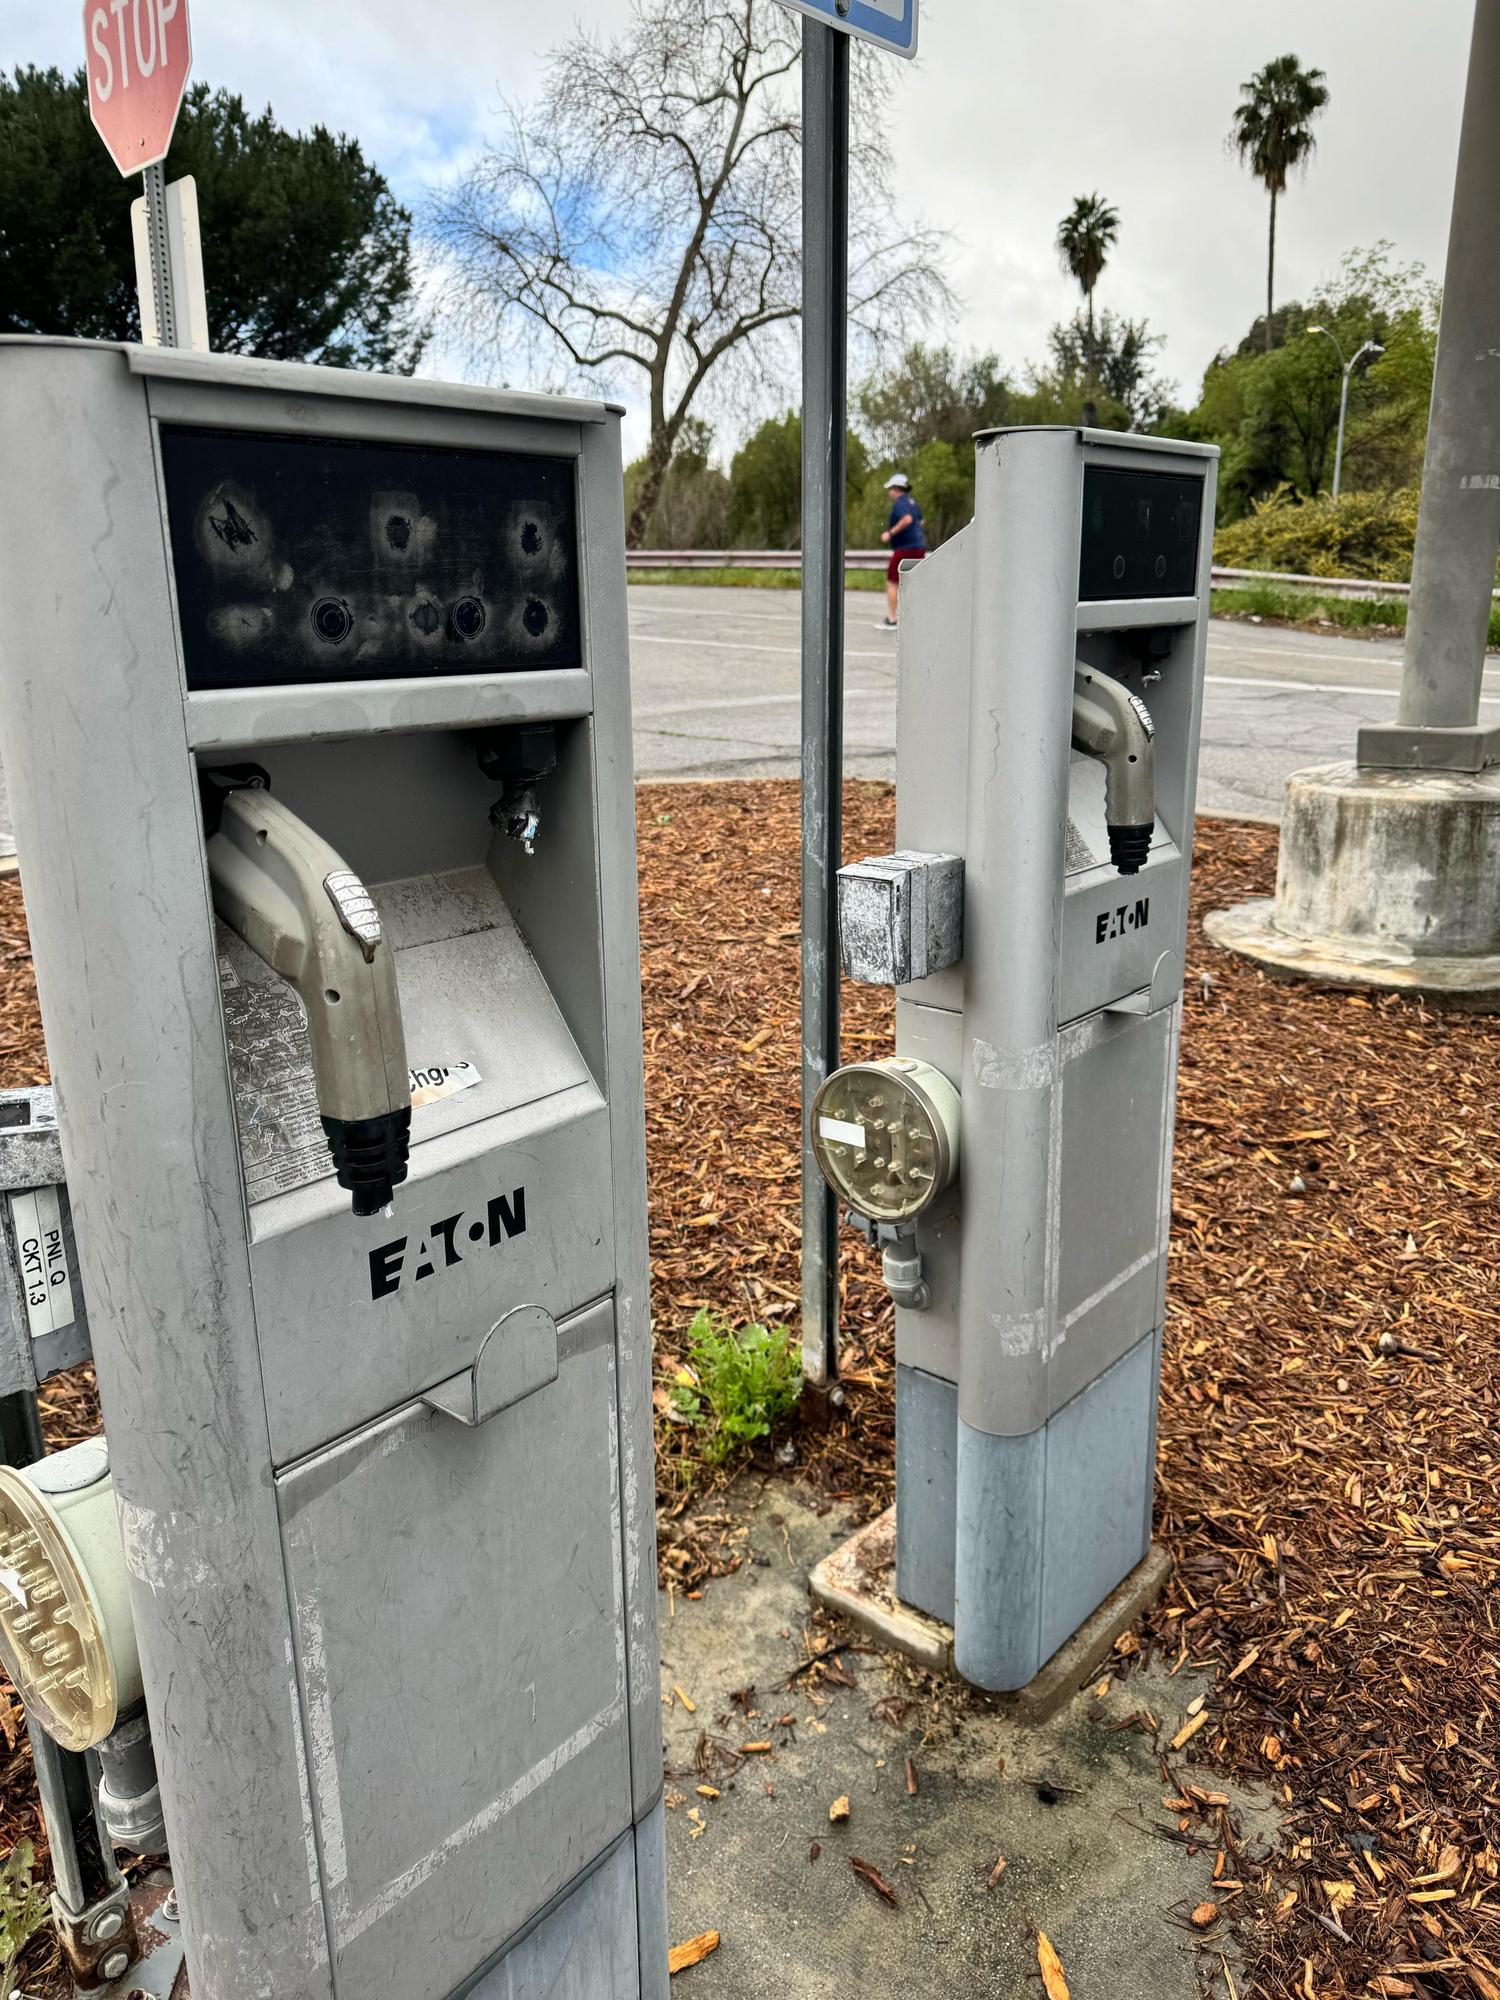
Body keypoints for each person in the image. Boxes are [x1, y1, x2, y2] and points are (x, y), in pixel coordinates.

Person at [878, 472, 926, 629]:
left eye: (890, 488)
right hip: (919, 547)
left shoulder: (900, 503)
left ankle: (892, 619)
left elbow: (907, 520)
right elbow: (920, 521)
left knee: (892, 582)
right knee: (913, 583)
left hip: (905, 549)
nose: (889, 492)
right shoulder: (912, 503)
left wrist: (889, 533)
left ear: (895, 489)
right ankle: (915, 618)